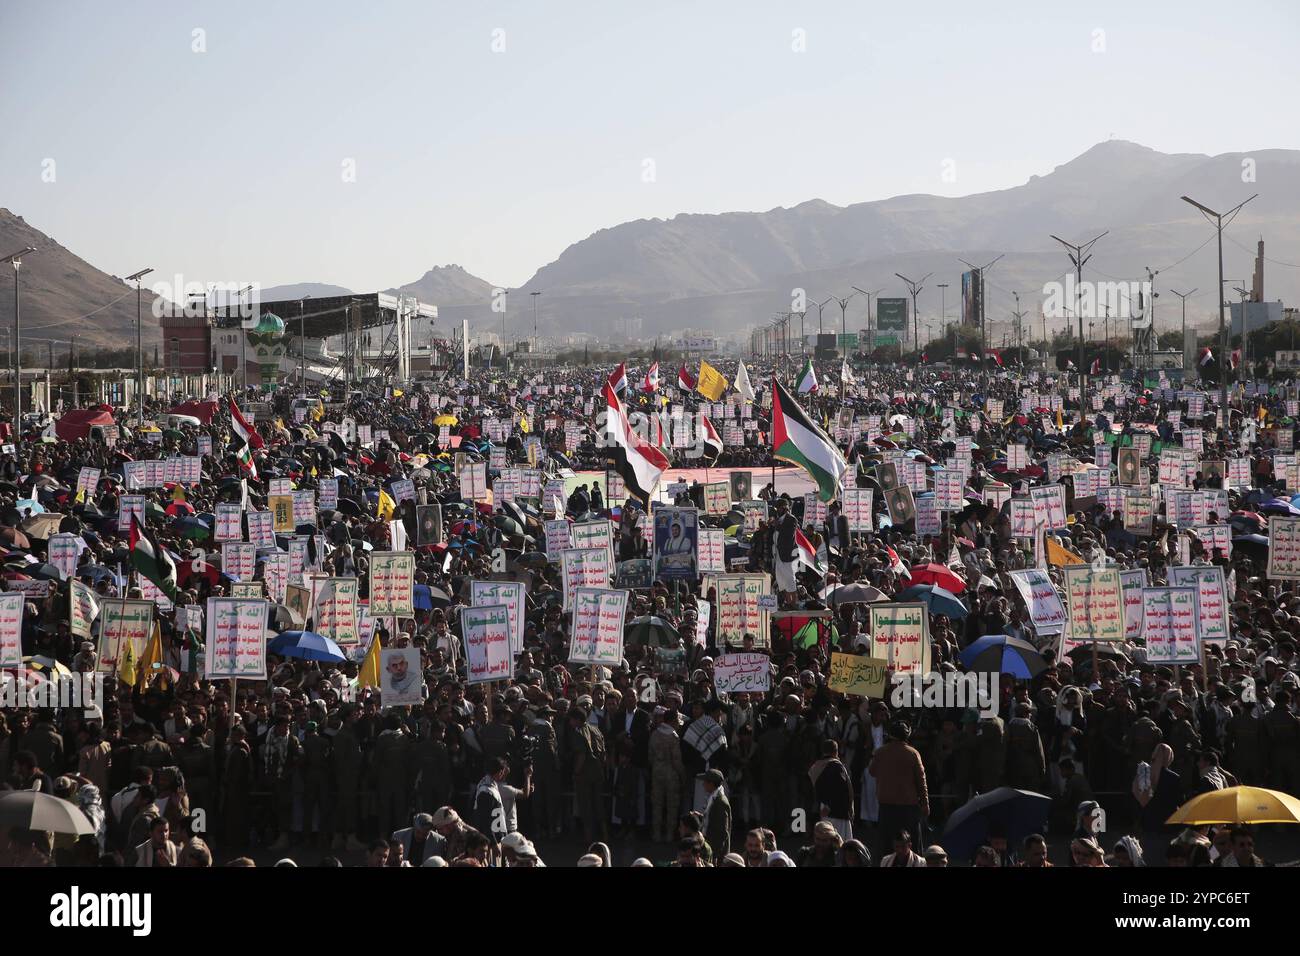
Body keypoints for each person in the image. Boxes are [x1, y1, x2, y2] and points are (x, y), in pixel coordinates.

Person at [869, 721, 929, 859]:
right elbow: (921, 781)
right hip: (909, 806)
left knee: (886, 846)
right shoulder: (913, 753)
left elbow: (872, 771)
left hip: (886, 806)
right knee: (912, 846)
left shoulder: (881, 752)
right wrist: (925, 803)